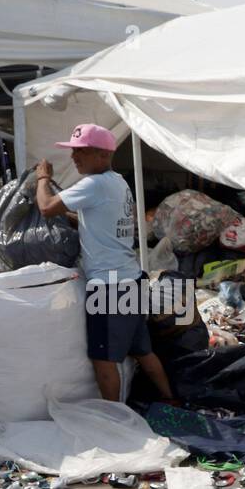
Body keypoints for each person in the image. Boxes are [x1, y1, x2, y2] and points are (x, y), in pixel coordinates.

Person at [35, 124, 175, 403]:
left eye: (81, 152)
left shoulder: (93, 184)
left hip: (109, 288)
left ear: (101, 154)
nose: (74, 158)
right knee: (142, 350)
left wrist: (43, 179)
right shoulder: (118, 182)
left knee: (102, 358)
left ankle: (113, 417)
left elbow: (46, 208)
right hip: (132, 279)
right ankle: (171, 398)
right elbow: (98, 221)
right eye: (74, 152)